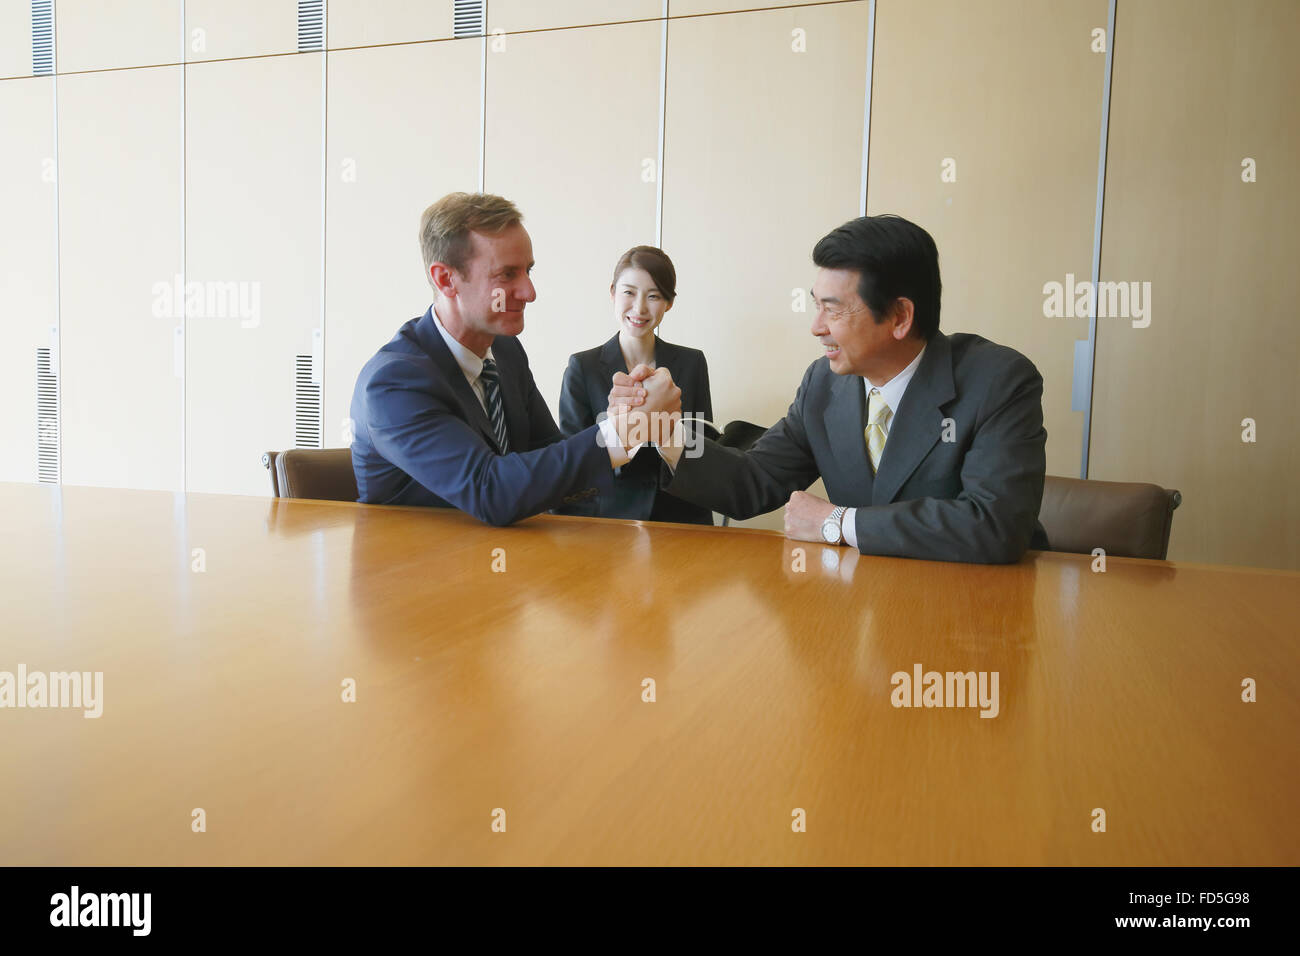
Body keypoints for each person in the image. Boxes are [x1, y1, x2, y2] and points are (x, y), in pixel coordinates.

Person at [613, 214, 1049, 564]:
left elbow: (993, 526)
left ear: (900, 317)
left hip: (979, 619)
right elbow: (754, 480)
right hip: (868, 607)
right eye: (815, 304)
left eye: (832, 310)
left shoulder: (998, 381)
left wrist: (837, 523)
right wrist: (663, 433)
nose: (816, 327)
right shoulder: (824, 384)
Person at [349, 192, 682, 526]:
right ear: (445, 279)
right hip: (420, 572)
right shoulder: (394, 383)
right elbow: (491, 490)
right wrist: (622, 432)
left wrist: (619, 420)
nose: (529, 292)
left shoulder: (506, 352)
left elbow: (546, 461)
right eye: (507, 275)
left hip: (504, 561)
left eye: (528, 271)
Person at [557, 246, 715, 525]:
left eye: (654, 296)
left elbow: (703, 447)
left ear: (669, 302)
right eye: (629, 292)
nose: (639, 308)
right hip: (609, 521)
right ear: (612, 293)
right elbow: (574, 462)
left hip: (683, 518)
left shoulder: (692, 362)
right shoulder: (582, 367)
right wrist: (618, 427)